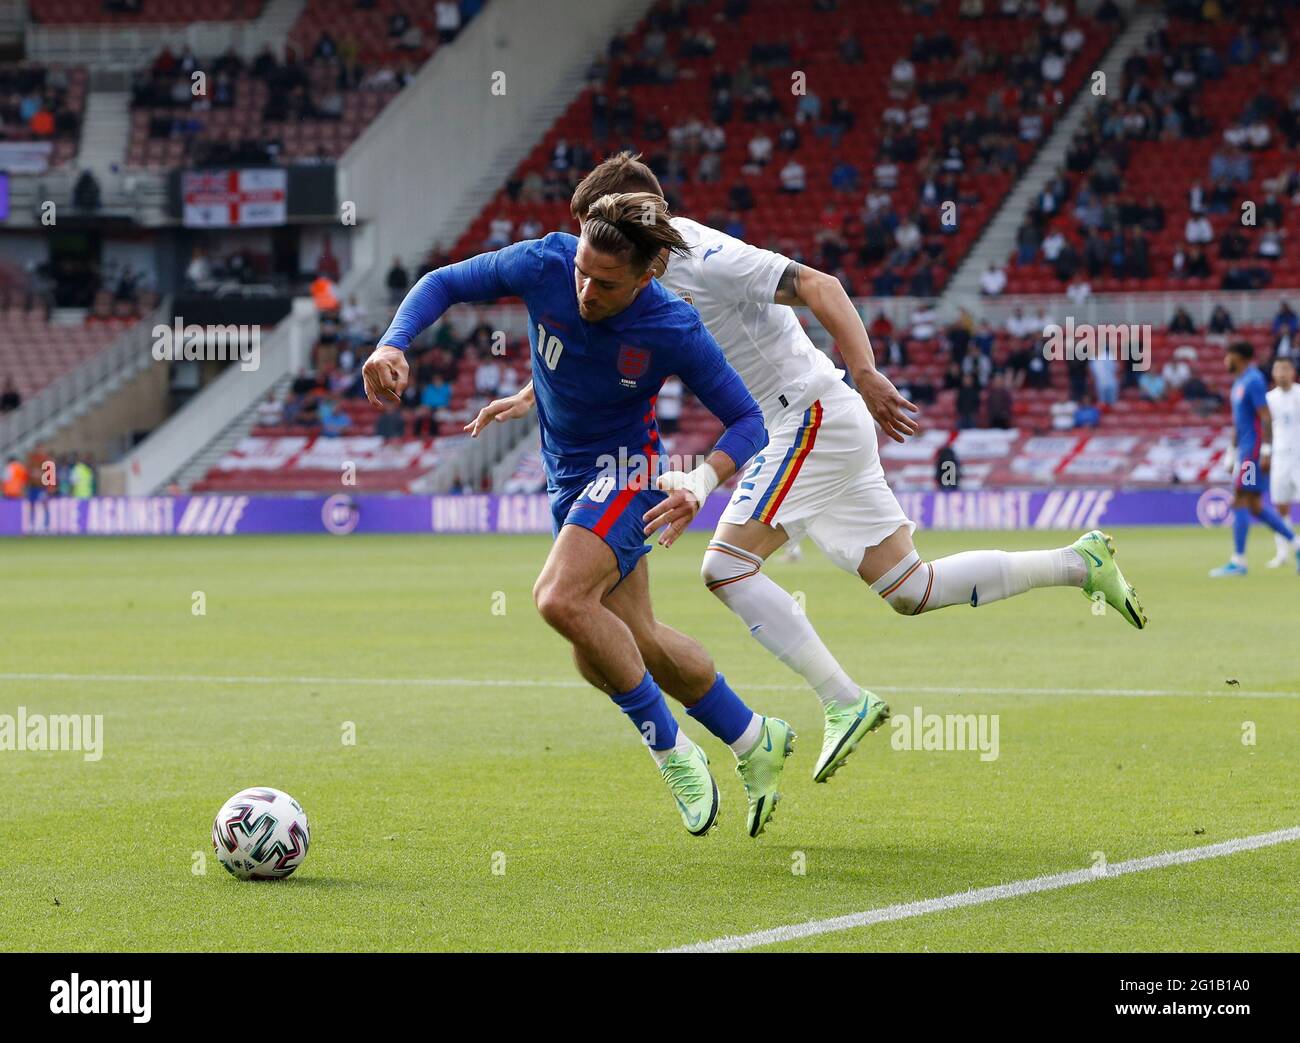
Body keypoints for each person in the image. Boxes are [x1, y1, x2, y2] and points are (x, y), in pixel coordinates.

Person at [483, 153, 1151, 790]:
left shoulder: (704, 257)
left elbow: (817, 284)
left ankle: (843, 700)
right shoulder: (633, 282)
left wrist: (865, 373)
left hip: (805, 417)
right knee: (910, 588)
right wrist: (533, 393)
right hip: (816, 424)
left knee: (725, 567)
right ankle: (1078, 561)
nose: (584, 257)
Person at [366, 193, 785, 839]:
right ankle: (754, 736)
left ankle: (673, 751)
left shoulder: (671, 325)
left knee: (559, 598)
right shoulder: (546, 262)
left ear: (648, 275)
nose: (586, 289)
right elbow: (443, 282)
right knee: (618, 644)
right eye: (583, 271)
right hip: (567, 478)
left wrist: (701, 482)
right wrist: (393, 344)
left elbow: (749, 420)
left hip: (629, 469)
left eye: (606, 282)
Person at [1210, 342, 1300, 576]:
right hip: (1244, 451)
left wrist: (1266, 450)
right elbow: (1239, 423)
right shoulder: (1240, 382)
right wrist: (1231, 452)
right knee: (1255, 506)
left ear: (1238, 357)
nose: (1225, 361)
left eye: (1228, 355)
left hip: (1252, 452)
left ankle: (1239, 561)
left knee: (1239, 499)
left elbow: (1266, 418)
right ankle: (1296, 543)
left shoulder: (1254, 380)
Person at [1264, 355, 1300, 569]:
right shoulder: (1269, 399)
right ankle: (1283, 552)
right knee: (1280, 506)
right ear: (1273, 373)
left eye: (1285, 369)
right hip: (1280, 458)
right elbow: (1266, 428)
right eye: (1278, 369)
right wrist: (1266, 452)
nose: (1282, 374)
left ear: (1293, 372)